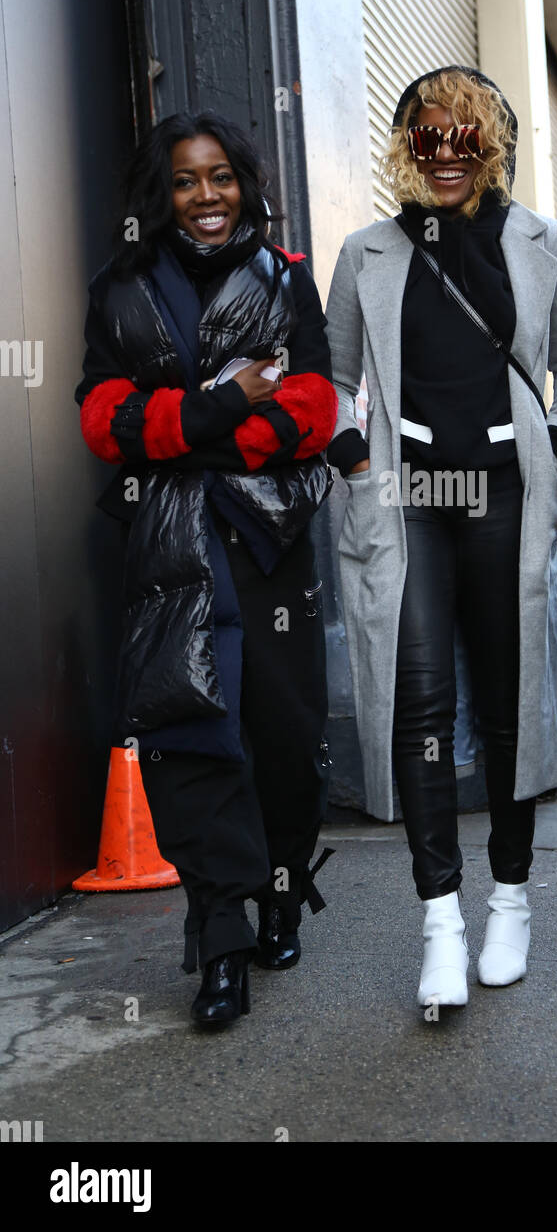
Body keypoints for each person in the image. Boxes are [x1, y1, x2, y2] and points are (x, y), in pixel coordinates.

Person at [75, 112, 338, 1028]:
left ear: (245, 182)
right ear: (164, 192)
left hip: (266, 541)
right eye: (187, 181)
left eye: (221, 176)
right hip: (170, 547)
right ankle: (218, 939)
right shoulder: (120, 288)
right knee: (190, 738)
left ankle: (278, 892)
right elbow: (103, 416)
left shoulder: (286, 280)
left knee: (283, 733)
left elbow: (310, 403)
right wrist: (224, 403)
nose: (206, 197)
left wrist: (183, 431)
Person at [325, 66, 557, 1007]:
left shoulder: (540, 242)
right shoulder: (367, 252)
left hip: (506, 489)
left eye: (464, 137)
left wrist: (555, 444)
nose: (444, 154)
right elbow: (329, 378)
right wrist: (355, 462)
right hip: (409, 492)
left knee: (510, 702)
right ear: (405, 145)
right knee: (421, 703)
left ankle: (510, 899)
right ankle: (441, 921)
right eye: (426, 136)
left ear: (492, 146)